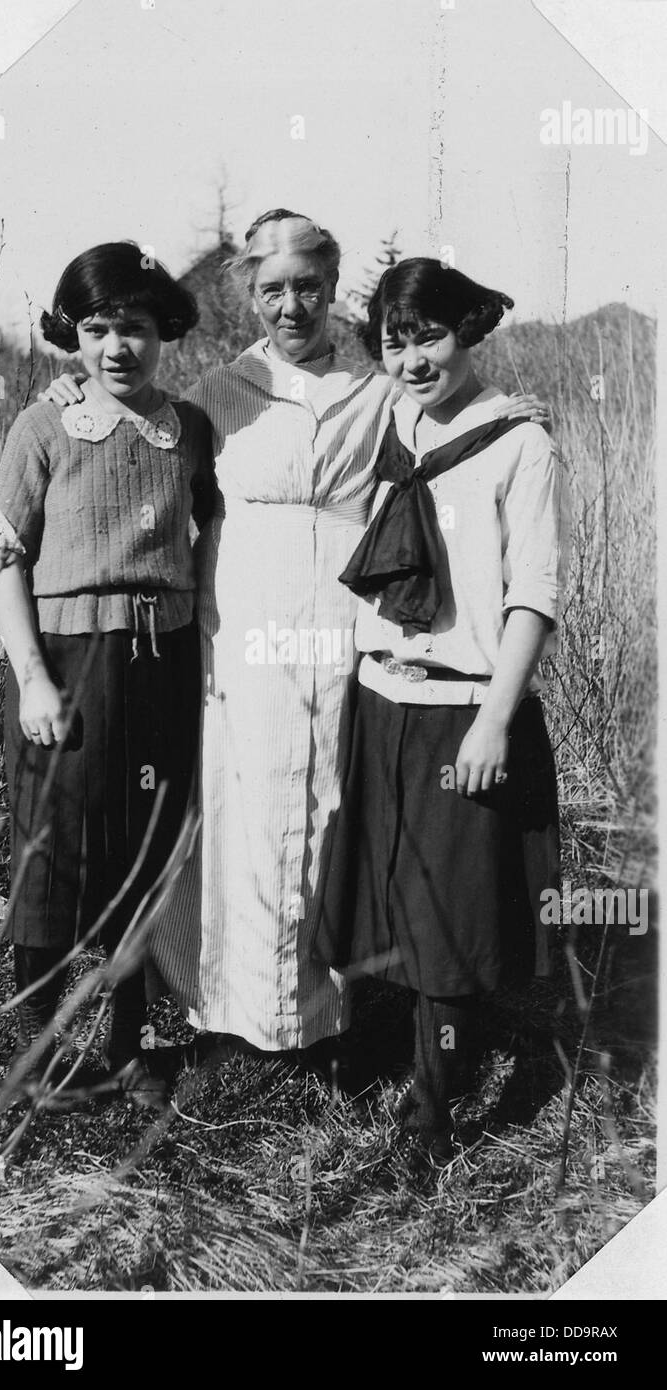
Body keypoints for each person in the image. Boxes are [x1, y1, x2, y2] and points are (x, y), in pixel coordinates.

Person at [42, 212, 551, 1058]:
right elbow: (130, 425)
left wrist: (512, 414)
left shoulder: (376, 391)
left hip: (343, 641)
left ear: (331, 286)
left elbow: (449, 416)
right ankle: (234, 1021)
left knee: (331, 815)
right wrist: (70, 390)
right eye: (272, 288)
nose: (292, 305)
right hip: (238, 641)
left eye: (308, 286)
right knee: (240, 818)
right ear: (247, 293)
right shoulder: (212, 398)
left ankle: (327, 1020)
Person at [314, 258, 570, 1157]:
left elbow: (532, 596)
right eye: (394, 341)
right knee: (386, 889)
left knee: (451, 917)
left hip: (463, 707)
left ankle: (433, 1109)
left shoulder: (517, 442)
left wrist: (494, 722)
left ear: (466, 330)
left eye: (429, 336)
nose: (413, 358)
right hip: (381, 692)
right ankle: (384, 1049)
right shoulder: (388, 423)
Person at [0, 241, 215, 1104]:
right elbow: (3, 559)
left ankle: (127, 1045)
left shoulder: (187, 428)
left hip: (164, 668)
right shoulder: (44, 424)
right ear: (73, 335)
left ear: (166, 333)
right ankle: (37, 1056)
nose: (118, 346)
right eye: (98, 327)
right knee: (55, 855)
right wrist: (33, 679)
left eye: (137, 326)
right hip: (69, 668)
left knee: (142, 855)